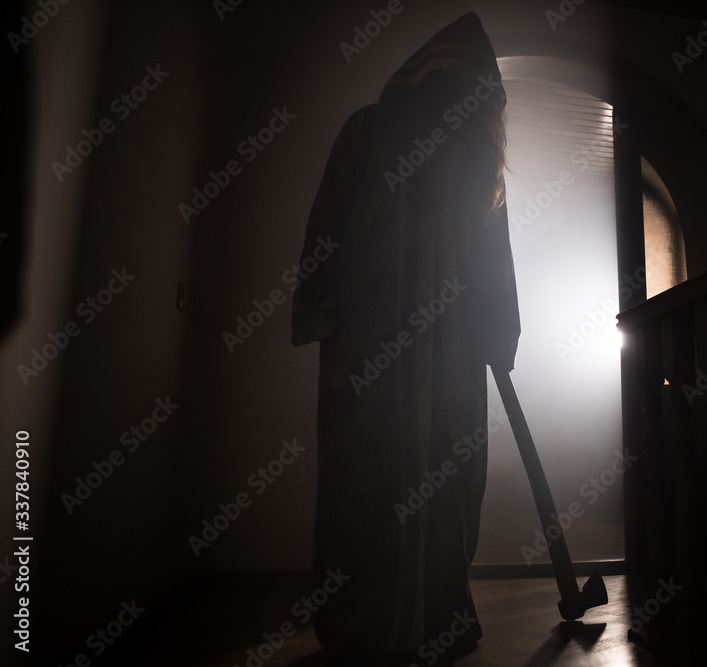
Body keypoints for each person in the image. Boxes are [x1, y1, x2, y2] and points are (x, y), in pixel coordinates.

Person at [291, 12, 520, 666]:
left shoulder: (480, 167)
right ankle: (365, 622)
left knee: (448, 487)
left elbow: (494, 259)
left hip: (446, 359)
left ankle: (440, 615)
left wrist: (496, 331)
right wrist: (324, 308)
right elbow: (328, 227)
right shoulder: (367, 132)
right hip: (372, 351)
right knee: (365, 485)